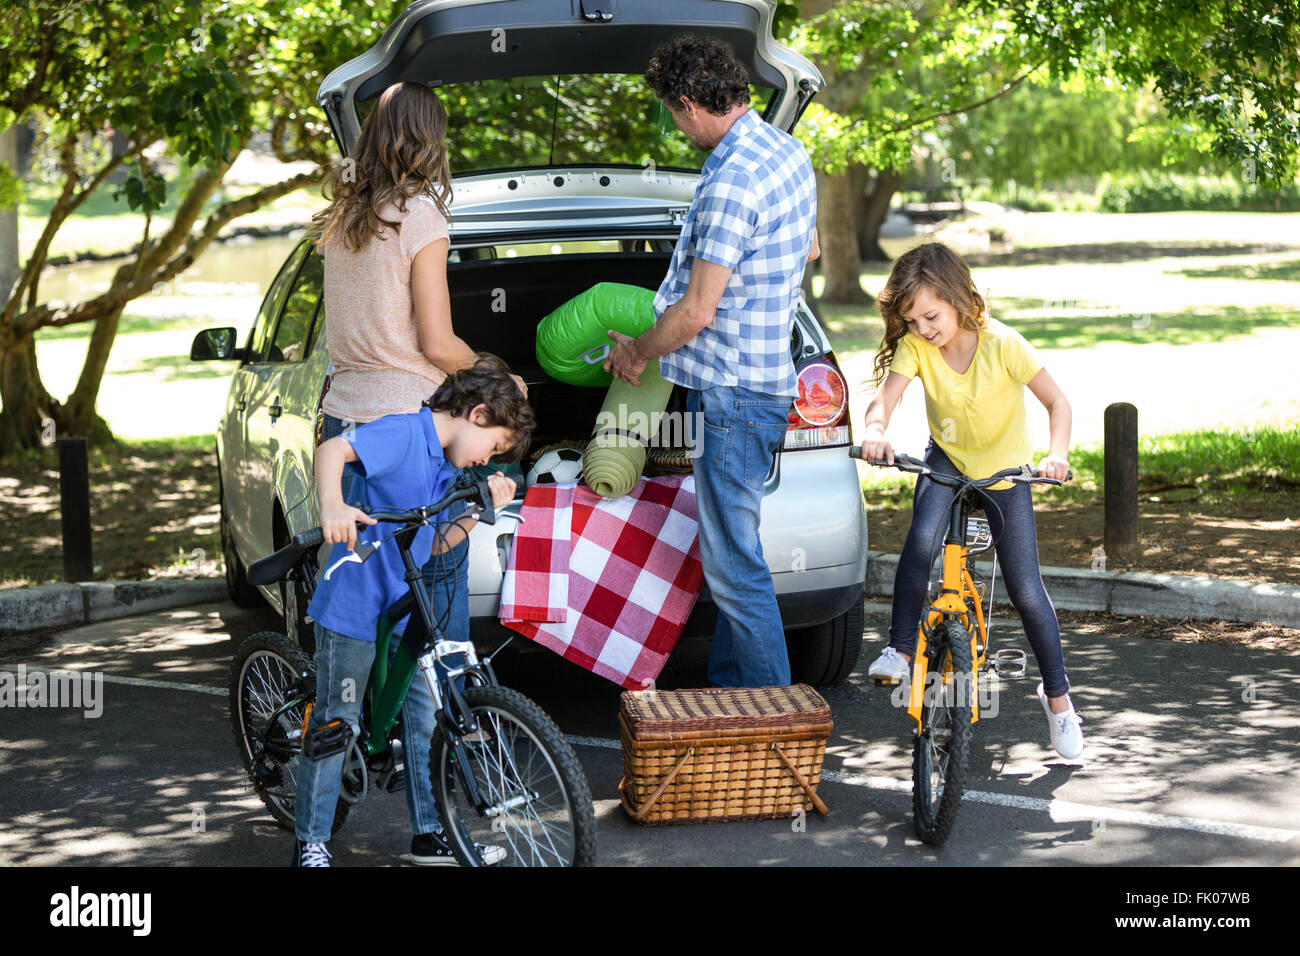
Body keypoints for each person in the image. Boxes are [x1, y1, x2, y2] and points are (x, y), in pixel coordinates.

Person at [604, 36, 817, 688]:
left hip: (730, 396)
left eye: (673, 113)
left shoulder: (732, 180)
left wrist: (638, 351)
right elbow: (807, 254)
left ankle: (774, 727)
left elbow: (698, 311)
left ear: (691, 104)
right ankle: (732, 690)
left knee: (734, 565)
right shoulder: (787, 153)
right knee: (734, 549)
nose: (677, 125)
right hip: (761, 385)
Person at [308, 80, 528, 680]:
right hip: (407, 431)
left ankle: (349, 740)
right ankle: (440, 753)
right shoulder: (421, 216)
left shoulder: (343, 216)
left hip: (345, 424)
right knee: (432, 603)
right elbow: (435, 343)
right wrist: (501, 377)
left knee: (356, 602)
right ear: (430, 141)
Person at [293, 354, 535, 867]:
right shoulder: (405, 434)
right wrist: (333, 505)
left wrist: (477, 511)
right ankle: (311, 842)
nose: (486, 461)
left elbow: (439, 544)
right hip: (356, 596)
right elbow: (334, 448)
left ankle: (430, 833)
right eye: (492, 448)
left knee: (426, 712)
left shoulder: (449, 467)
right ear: (477, 414)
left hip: (407, 598)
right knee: (336, 721)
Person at [858, 242, 1083, 760]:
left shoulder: (1003, 344)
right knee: (919, 546)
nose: (922, 329)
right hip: (948, 463)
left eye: (931, 316)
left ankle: (1060, 702)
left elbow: (1057, 402)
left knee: (1026, 590)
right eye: (911, 320)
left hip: (1005, 473)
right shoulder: (917, 348)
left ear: (959, 297)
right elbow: (885, 399)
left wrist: (1057, 454)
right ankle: (898, 647)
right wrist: (875, 430)